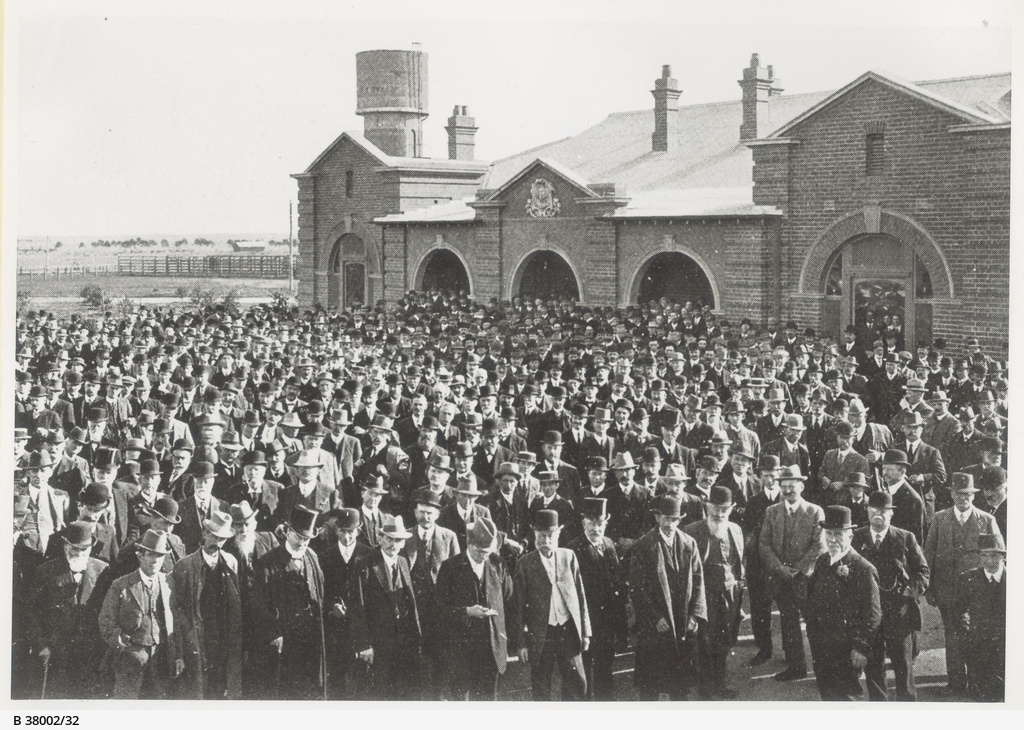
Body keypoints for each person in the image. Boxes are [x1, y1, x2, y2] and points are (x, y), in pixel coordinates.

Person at [923, 473, 1001, 698]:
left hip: (978, 591)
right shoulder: (939, 518)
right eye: (958, 493)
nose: (962, 498)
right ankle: (956, 682)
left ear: (973, 495)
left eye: (967, 494)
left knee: (977, 635)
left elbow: (998, 554)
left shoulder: (986, 519)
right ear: (951, 494)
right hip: (947, 590)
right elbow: (928, 554)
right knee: (952, 636)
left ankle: (978, 681)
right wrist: (929, 588)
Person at [851, 491, 930, 701]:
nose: (878, 514)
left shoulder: (905, 537)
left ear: (891, 514)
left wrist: (909, 591)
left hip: (899, 613)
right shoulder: (857, 538)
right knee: (874, 669)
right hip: (870, 615)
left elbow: (923, 572)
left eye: (883, 510)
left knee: (903, 667)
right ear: (867, 511)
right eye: (873, 509)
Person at [629, 495, 706, 700]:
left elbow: (698, 581)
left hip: (682, 620)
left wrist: (695, 615)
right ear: (657, 518)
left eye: (675, 519)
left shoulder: (689, 543)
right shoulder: (644, 545)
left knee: (680, 683)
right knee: (651, 683)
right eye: (666, 518)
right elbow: (637, 589)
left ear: (680, 520)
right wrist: (655, 618)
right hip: (656, 624)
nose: (670, 524)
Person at [512, 509, 591, 700]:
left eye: (550, 536)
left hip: (567, 630)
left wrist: (585, 632)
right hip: (542, 632)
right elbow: (518, 607)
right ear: (534, 535)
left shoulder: (568, 556)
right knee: (541, 684)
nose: (546, 541)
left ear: (559, 535)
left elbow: (581, 596)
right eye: (541, 536)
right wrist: (521, 643)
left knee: (577, 681)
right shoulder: (524, 564)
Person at [804, 506, 881, 700]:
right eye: (828, 533)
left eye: (838, 534)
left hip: (847, 649)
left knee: (847, 698)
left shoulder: (863, 568)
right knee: (827, 694)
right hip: (822, 646)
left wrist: (861, 647)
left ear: (850, 536)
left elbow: (873, 614)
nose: (831, 539)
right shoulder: (822, 561)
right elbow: (811, 598)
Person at [435, 517, 514, 700]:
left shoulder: (498, 564)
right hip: (461, 651)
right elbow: (439, 610)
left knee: (488, 701)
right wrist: (467, 612)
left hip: (492, 650)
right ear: (469, 544)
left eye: (488, 552)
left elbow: (510, 602)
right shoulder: (449, 568)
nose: (484, 556)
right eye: (480, 551)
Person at [253, 505, 327, 700]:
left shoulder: (312, 557)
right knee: (287, 688)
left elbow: (320, 592)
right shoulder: (268, 562)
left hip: (310, 637)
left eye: (307, 538)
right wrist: (274, 632)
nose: (303, 542)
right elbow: (259, 604)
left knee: (310, 688)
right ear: (287, 532)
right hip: (285, 639)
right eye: (299, 536)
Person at [758, 465, 825, 682]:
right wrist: (779, 568)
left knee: (814, 624)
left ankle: (822, 667)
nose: (788, 490)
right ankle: (797, 667)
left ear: (802, 486)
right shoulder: (772, 511)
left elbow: (819, 545)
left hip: (806, 578)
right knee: (789, 624)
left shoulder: (815, 511)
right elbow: (764, 544)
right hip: (782, 578)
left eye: (792, 486)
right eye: (784, 486)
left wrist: (798, 569)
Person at [29, 521, 110, 699]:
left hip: (90, 653)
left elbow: (107, 613)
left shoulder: (102, 571)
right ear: (65, 546)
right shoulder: (46, 571)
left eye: (84, 549)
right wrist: (42, 645)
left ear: (91, 548)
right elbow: (33, 613)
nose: (79, 554)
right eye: (74, 548)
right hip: (56, 651)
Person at [347, 514, 424, 700]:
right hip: (377, 644)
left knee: (401, 693)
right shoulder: (364, 565)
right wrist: (364, 644)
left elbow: (410, 603)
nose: (393, 544)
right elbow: (357, 608)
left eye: (398, 540)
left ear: (403, 543)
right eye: (389, 539)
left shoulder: (404, 563)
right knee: (377, 694)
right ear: (380, 538)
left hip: (403, 643)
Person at [98, 529, 181, 699]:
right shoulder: (121, 585)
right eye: (150, 555)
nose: (155, 560)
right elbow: (106, 619)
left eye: (159, 556)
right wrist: (121, 644)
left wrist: (178, 654)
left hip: (161, 656)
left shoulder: (169, 583)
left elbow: (177, 620)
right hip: (130, 658)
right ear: (140, 556)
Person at [169, 511, 243, 699]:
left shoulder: (231, 563)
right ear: (204, 534)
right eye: (214, 536)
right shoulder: (185, 566)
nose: (217, 543)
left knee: (221, 687)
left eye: (222, 539)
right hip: (197, 638)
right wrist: (186, 638)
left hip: (223, 636)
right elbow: (177, 609)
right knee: (198, 691)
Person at [683, 486, 744, 699]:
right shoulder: (692, 531)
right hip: (704, 596)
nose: (719, 514)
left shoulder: (735, 530)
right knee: (704, 644)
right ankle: (706, 691)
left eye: (724, 510)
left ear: (731, 509)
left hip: (729, 595)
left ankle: (719, 686)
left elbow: (737, 564)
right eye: (715, 509)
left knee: (725, 641)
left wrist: (736, 589)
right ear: (707, 507)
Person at [401, 487, 460, 698]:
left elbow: (458, 573)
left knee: (440, 656)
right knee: (413, 656)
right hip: (413, 606)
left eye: (430, 513)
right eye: (422, 512)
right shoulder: (405, 536)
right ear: (415, 512)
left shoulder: (449, 536)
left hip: (439, 608)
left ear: (437, 514)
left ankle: (438, 697)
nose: (426, 517)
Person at [567, 498, 627, 700]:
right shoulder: (574, 549)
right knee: (586, 670)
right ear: (583, 523)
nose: (596, 528)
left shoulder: (610, 544)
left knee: (605, 666)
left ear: (605, 523)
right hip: (587, 621)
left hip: (608, 621)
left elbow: (617, 583)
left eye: (600, 523)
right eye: (591, 523)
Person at [222, 500, 277, 698]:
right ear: (232, 527)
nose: (243, 529)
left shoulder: (269, 540)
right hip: (241, 618)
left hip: (266, 615)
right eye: (238, 525)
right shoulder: (227, 548)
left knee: (266, 668)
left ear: (254, 523)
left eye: (246, 524)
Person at [315, 507, 371, 700]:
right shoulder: (325, 557)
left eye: (351, 531)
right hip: (336, 629)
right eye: (343, 531)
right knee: (337, 679)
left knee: (362, 680)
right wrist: (331, 606)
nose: (347, 536)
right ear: (336, 529)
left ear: (359, 529)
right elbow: (321, 592)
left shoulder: (368, 555)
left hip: (362, 627)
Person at [955, 533, 1006, 701]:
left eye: (993, 555)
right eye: (983, 555)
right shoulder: (968, 578)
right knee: (979, 694)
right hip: (977, 645)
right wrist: (966, 627)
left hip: (1005, 646)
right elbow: (959, 610)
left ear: (1003, 557)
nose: (988, 560)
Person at [743, 455, 781, 666]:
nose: (769, 479)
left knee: (787, 610)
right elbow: (748, 532)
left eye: (773, 475)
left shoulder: (786, 498)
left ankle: (791, 652)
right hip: (759, 565)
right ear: (760, 476)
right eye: (765, 475)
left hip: (782, 563)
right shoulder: (754, 501)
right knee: (759, 609)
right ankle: (764, 649)